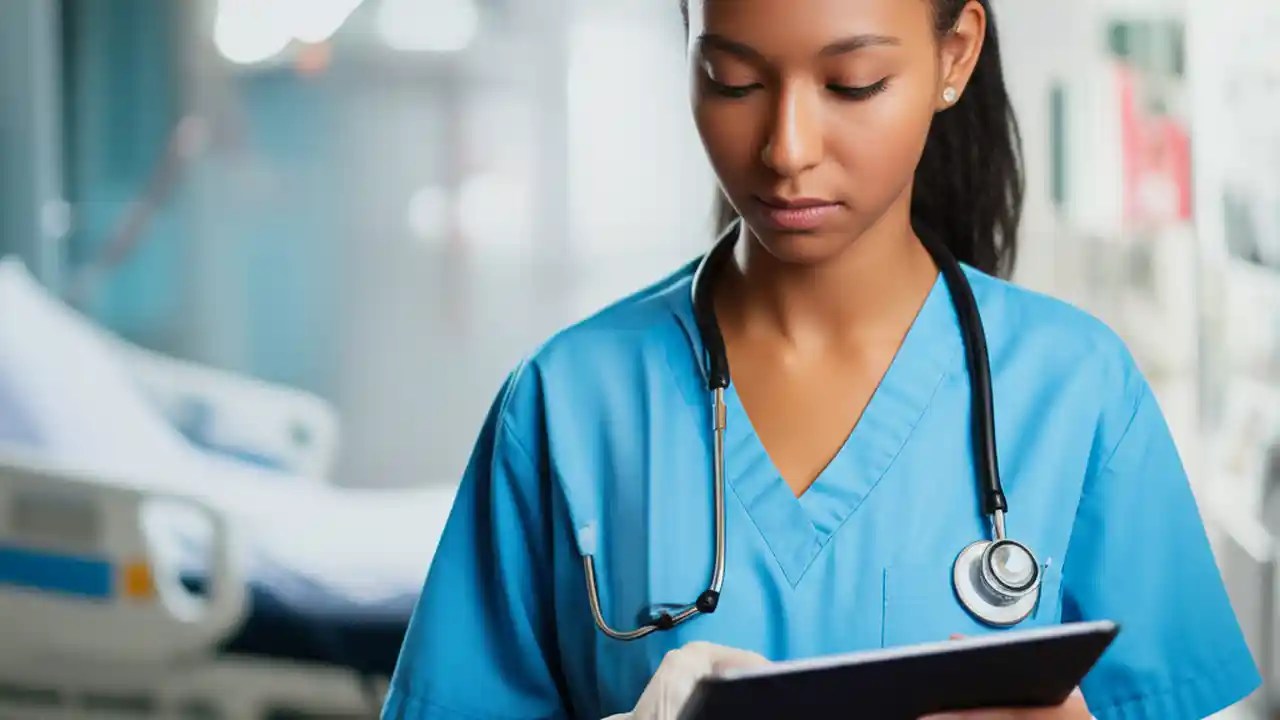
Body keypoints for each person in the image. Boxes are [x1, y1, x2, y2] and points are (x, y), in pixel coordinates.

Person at [382, 1, 1261, 718]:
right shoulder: (568, 402)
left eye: (853, 83)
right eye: (733, 80)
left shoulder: (1077, 389)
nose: (786, 148)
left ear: (954, 56)